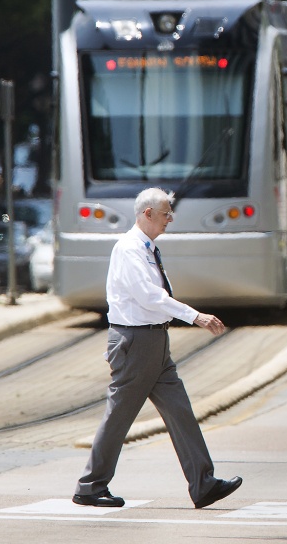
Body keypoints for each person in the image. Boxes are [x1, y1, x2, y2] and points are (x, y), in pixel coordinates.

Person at [73, 188, 242, 509]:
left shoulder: (147, 248)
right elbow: (148, 296)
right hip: (135, 342)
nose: (170, 219)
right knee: (119, 415)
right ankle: (90, 485)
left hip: (153, 341)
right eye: (166, 213)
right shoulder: (129, 249)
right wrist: (196, 316)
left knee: (179, 410)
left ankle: (203, 483)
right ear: (147, 214)